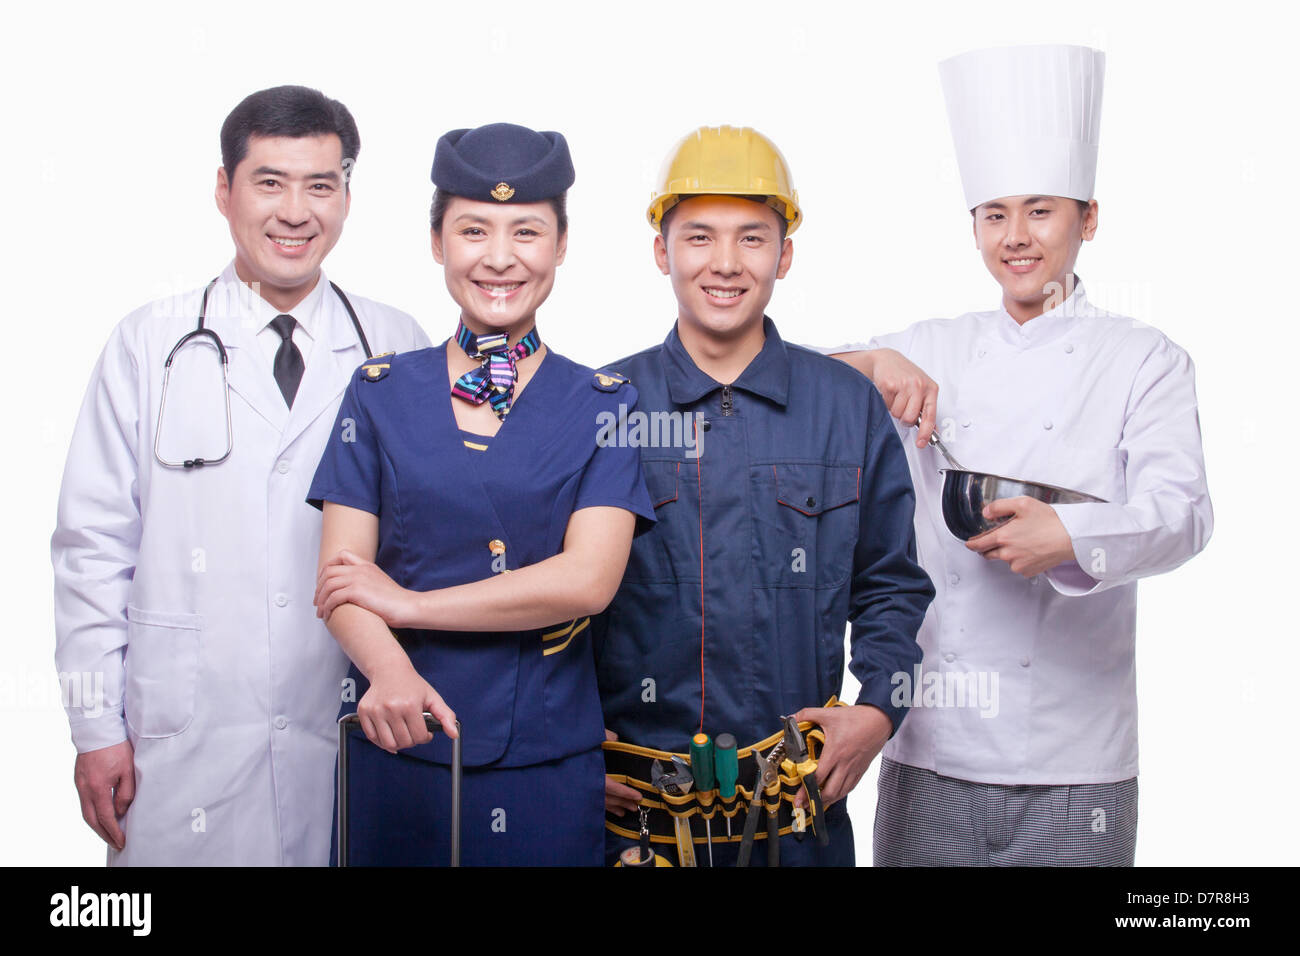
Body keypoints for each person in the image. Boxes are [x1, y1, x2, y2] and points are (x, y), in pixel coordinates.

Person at [824, 45, 1213, 865]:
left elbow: (1183, 515)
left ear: (1089, 219)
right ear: (973, 227)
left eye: (1040, 211)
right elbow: (784, 389)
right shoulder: (930, 344)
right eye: (994, 214)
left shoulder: (1145, 358)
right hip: (931, 745)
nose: (1016, 237)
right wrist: (870, 363)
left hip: (1079, 757)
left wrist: (1069, 536)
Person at [50, 85, 430, 865]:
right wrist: (94, 729)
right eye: (270, 181)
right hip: (182, 741)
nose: (296, 211)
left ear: (348, 198)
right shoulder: (146, 344)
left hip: (349, 728)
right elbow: (90, 548)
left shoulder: (398, 345)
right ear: (224, 190)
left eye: (320, 184)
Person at [308, 122, 655, 866]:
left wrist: (410, 606)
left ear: (561, 244)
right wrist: (393, 670)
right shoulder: (378, 394)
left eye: (526, 231)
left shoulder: (608, 406)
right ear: (437, 241)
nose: (500, 258)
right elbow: (340, 581)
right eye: (473, 229)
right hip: (395, 737)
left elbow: (587, 581)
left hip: (543, 760)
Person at [594, 126, 934, 867]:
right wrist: (563, 740)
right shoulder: (603, 407)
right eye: (698, 237)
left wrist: (879, 710)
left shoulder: (847, 408)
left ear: (784, 255)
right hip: (633, 834)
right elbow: (553, 604)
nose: (724, 263)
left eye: (752, 238)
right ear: (662, 252)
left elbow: (894, 590)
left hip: (797, 829)